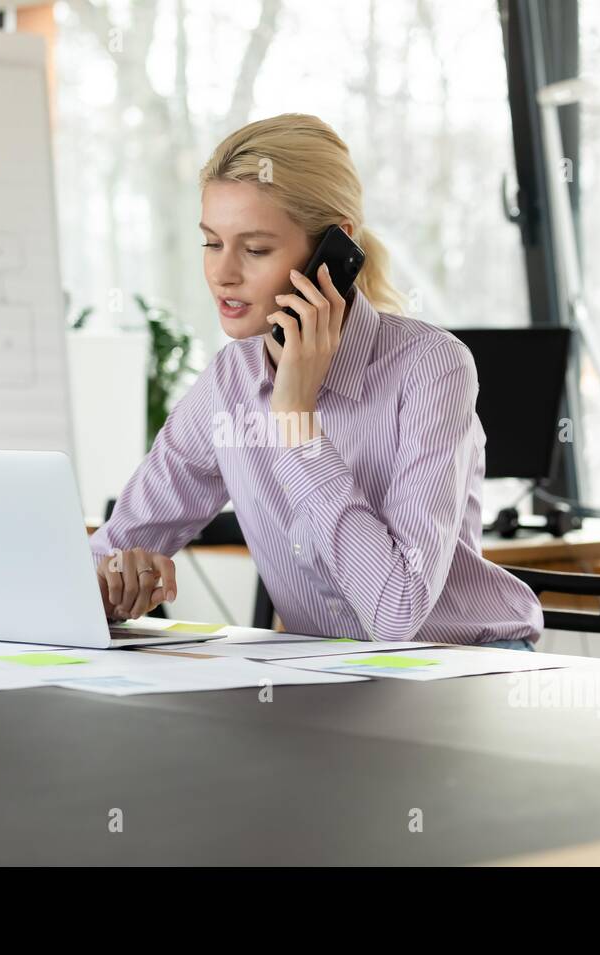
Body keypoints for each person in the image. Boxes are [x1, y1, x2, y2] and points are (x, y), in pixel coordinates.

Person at [89, 113, 542, 649]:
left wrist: (295, 419)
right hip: (330, 677)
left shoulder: (431, 368)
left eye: (255, 249)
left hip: (461, 666)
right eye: (212, 243)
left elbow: (397, 613)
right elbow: (111, 552)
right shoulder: (230, 383)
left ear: (335, 248)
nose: (223, 273)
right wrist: (114, 580)